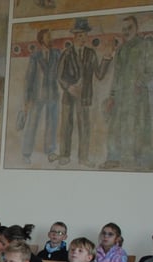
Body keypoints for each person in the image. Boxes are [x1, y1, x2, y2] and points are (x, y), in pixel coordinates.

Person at [99, 15, 153, 170]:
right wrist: (112, 96)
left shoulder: (146, 45)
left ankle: (141, 159)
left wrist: (140, 82)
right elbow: (116, 77)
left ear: (136, 28)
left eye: (129, 28)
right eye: (123, 29)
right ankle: (113, 158)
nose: (126, 31)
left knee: (138, 126)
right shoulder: (120, 50)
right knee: (115, 127)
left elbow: (150, 70)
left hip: (137, 96)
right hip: (120, 96)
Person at [57, 17, 99, 167]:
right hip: (69, 96)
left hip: (84, 96)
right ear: (74, 36)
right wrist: (69, 87)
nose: (83, 39)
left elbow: (99, 74)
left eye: (85, 35)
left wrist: (108, 58)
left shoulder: (91, 54)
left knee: (84, 126)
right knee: (66, 126)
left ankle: (83, 158)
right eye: (80, 35)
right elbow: (59, 76)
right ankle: (64, 155)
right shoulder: (67, 53)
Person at [21, 28, 60, 164]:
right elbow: (28, 79)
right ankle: (26, 153)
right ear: (41, 40)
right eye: (48, 37)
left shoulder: (57, 54)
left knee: (52, 124)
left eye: (51, 36)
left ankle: (50, 151)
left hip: (53, 94)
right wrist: (27, 100)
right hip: (37, 96)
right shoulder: (35, 57)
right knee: (32, 124)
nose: (51, 39)